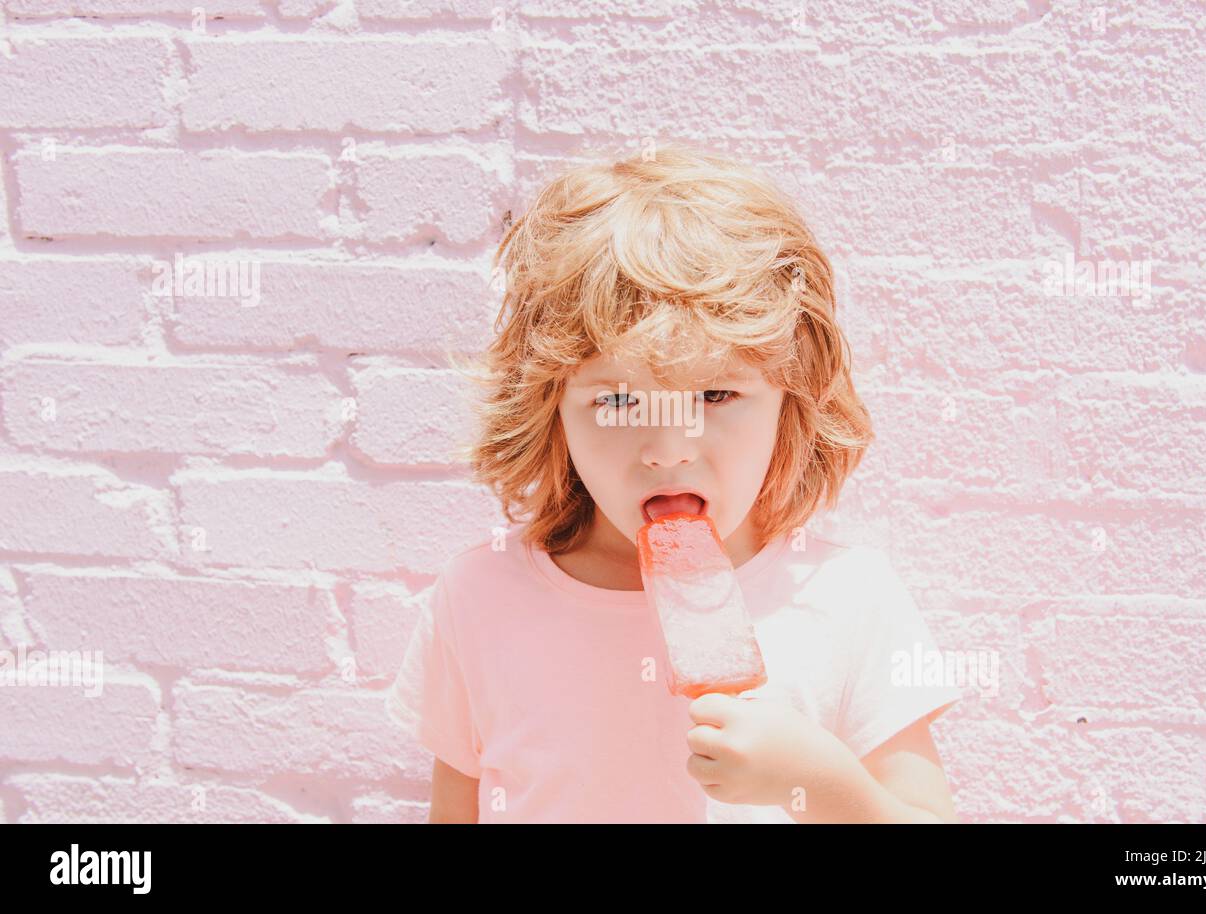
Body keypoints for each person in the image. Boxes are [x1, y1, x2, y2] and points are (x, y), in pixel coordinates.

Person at [385, 144, 963, 823]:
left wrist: (822, 783)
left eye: (716, 394)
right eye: (620, 401)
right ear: (550, 409)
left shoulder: (850, 599)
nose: (665, 449)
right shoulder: (481, 595)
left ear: (794, 402)